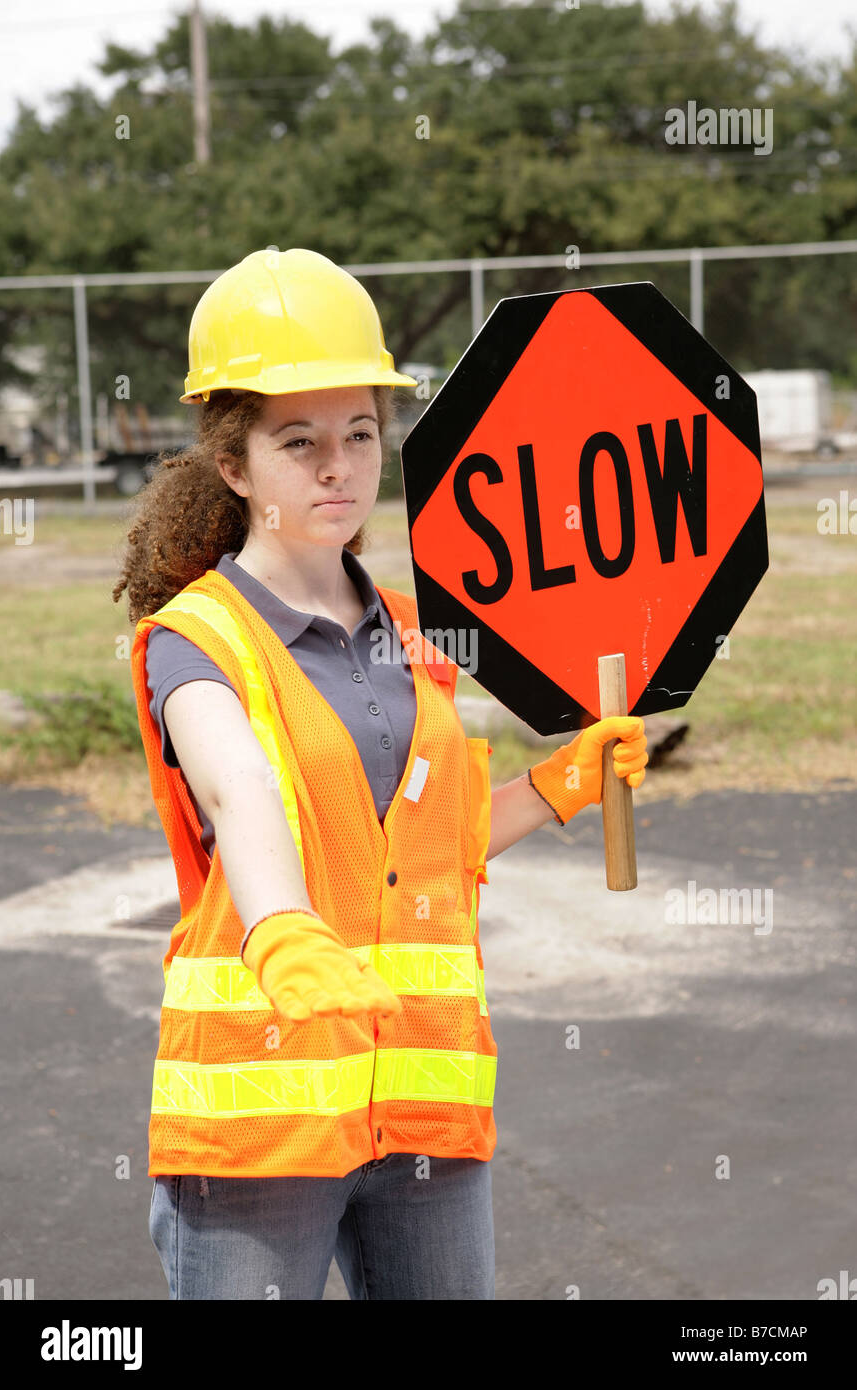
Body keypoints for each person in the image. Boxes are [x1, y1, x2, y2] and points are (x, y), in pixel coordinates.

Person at [112, 246, 648, 1301]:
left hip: (421, 1101)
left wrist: (556, 788)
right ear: (232, 462)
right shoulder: (199, 637)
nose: (337, 468)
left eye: (359, 434)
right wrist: (278, 927)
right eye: (297, 441)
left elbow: (424, 846)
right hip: (265, 1117)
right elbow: (240, 787)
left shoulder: (410, 630)